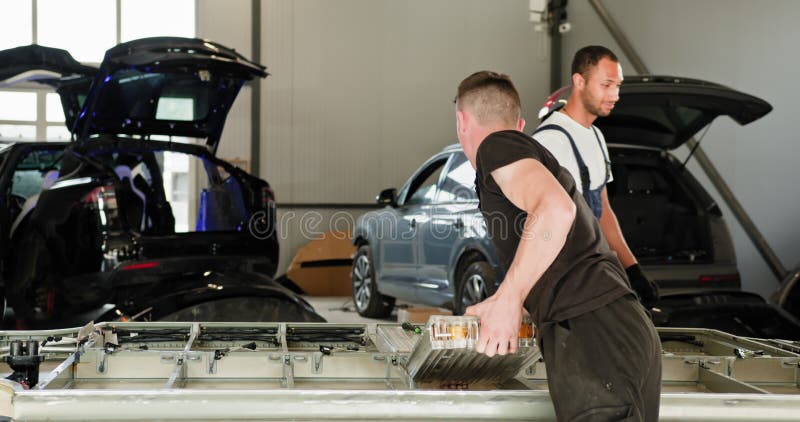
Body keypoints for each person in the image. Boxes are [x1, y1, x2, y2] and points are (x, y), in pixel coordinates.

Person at [455, 70, 661, 421]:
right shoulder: (526, 154)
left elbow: (555, 210)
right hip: (614, 330)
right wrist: (506, 303)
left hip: (596, 336)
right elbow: (562, 250)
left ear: (462, 120)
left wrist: (510, 298)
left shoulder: (497, 145)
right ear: (520, 123)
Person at [534, 45, 660, 308]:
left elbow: (603, 212)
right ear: (579, 81)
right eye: (606, 85)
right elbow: (539, 226)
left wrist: (633, 269)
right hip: (565, 284)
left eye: (618, 85)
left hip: (594, 273)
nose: (615, 94)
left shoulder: (596, 136)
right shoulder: (551, 140)